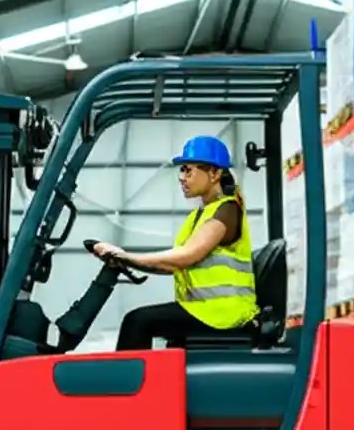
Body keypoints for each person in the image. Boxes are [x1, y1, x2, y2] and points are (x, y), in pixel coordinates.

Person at [89, 135, 259, 351]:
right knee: (145, 322)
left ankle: (131, 385)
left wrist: (125, 256)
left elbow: (185, 257)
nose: (182, 177)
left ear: (215, 173)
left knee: (138, 321)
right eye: (182, 170)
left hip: (224, 313)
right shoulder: (200, 215)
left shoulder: (227, 210)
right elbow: (173, 264)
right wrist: (127, 260)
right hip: (206, 310)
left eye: (189, 170)